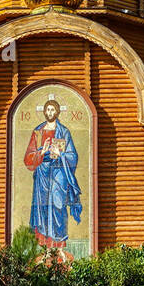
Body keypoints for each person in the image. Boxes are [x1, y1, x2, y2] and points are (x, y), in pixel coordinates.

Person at [22, 95, 82, 257]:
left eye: (52, 109)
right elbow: (28, 157)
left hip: (59, 172)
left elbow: (72, 156)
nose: (50, 112)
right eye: (47, 109)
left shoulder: (64, 132)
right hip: (42, 172)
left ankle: (60, 247)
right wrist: (41, 152)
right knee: (42, 208)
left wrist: (60, 154)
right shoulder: (38, 131)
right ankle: (47, 249)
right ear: (44, 112)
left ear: (57, 112)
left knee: (58, 206)